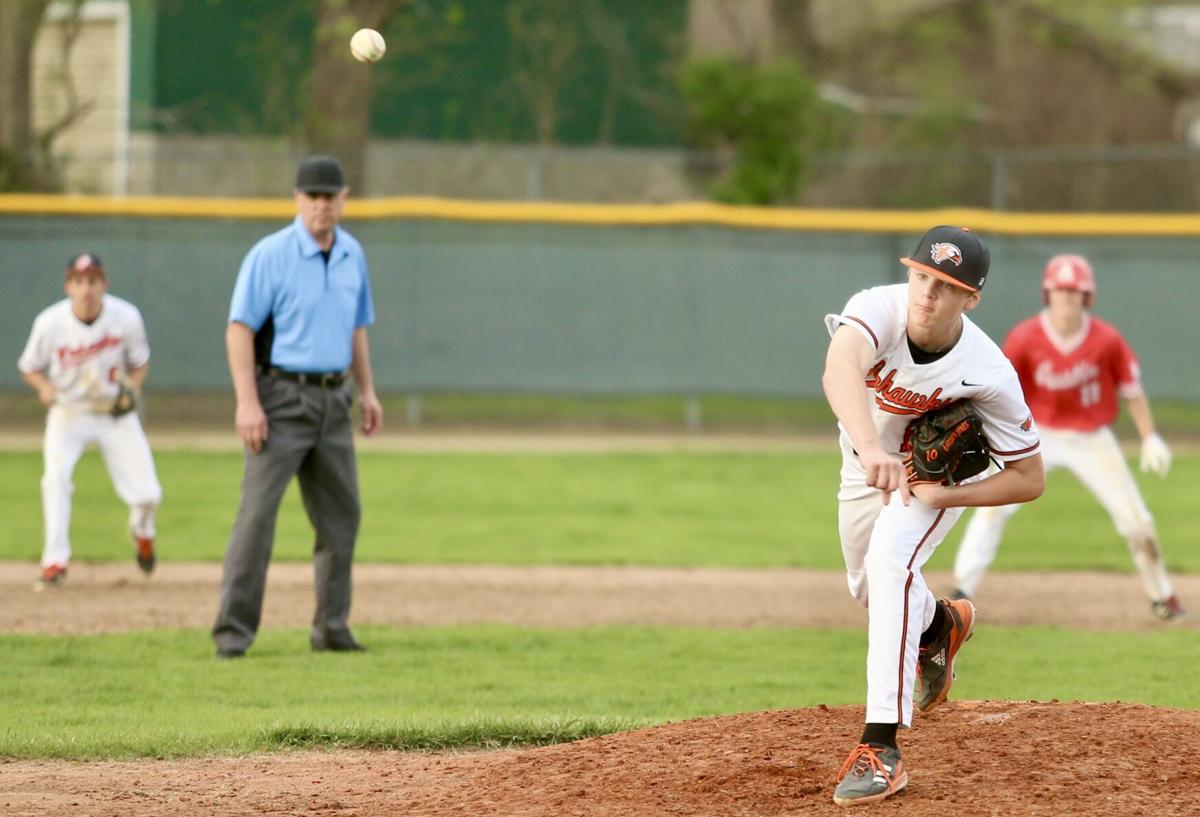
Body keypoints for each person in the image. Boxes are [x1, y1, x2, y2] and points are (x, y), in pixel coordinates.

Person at [821, 226, 1045, 806]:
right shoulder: (878, 307)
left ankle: (881, 748)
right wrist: (871, 449)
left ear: (970, 298)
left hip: (931, 483)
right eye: (921, 275)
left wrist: (945, 497)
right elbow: (839, 369)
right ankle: (938, 626)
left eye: (945, 286)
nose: (926, 293)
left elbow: (1030, 477)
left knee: (891, 563)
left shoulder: (989, 370)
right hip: (863, 462)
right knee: (868, 587)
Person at [212, 154, 383, 659]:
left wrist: (367, 391)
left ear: (343, 199)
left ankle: (331, 628)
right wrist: (247, 402)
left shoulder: (353, 254)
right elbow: (239, 328)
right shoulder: (271, 255)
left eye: (330, 197)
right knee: (258, 518)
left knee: (341, 518)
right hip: (281, 398)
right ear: (297, 200)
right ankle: (233, 635)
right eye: (312, 197)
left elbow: (356, 328)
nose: (321, 206)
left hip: (334, 399)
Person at [952, 254, 1185, 620]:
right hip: (1037, 434)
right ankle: (961, 589)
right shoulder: (1026, 336)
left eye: (1075, 292)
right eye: (1060, 291)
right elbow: (1001, 389)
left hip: (1091, 437)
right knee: (992, 509)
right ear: (1048, 293)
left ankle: (1163, 597)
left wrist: (1149, 436)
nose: (1067, 298)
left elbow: (1132, 389)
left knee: (1137, 521)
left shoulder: (1106, 339)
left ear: (1087, 297)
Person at [17, 253, 162, 589]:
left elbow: (140, 363)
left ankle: (143, 532)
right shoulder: (50, 323)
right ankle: (55, 561)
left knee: (148, 495)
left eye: (93, 280)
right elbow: (29, 366)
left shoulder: (125, 317)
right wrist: (42, 387)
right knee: (55, 479)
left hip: (115, 413)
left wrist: (133, 388)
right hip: (69, 413)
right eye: (79, 281)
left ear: (104, 283)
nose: (87, 289)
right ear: (68, 285)